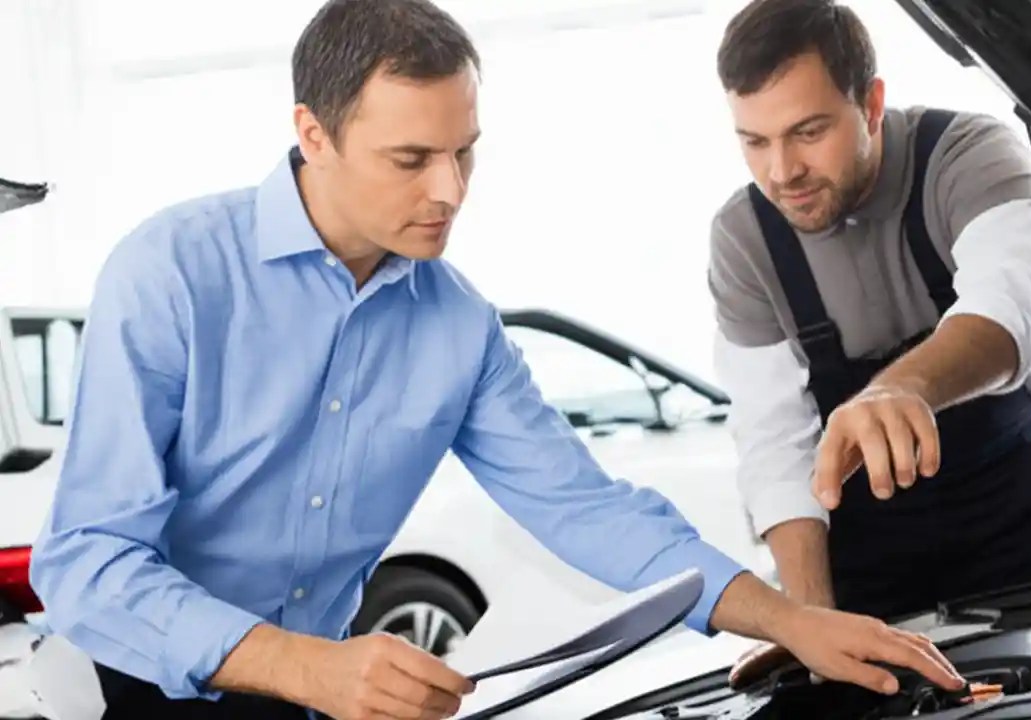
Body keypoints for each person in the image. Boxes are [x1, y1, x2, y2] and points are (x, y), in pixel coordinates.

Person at [29, 1, 965, 719]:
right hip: (128, 687)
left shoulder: (456, 325)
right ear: (313, 135)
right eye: (411, 159)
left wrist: (792, 618)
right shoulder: (173, 273)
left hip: (314, 695)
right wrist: (306, 663)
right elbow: (86, 561)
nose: (450, 191)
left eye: (464, 153)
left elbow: (588, 509)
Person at [708, 0, 1031, 681]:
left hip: (1011, 527)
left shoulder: (968, 156)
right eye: (754, 142)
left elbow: (1023, 303)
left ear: (872, 103)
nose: (781, 171)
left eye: (809, 131)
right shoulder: (743, 238)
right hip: (861, 564)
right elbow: (773, 442)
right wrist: (809, 620)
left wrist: (902, 388)